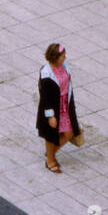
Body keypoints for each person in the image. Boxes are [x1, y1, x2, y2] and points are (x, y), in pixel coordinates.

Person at [37, 44, 80, 173]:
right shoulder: (46, 74)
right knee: (50, 135)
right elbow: (45, 97)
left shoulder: (63, 65)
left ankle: (51, 154)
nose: (65, 58)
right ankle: (50, 160)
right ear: (55, 57)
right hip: (53, 109)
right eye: (62, 56)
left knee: (69, 133)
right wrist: (50, 116)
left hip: (65, 105)